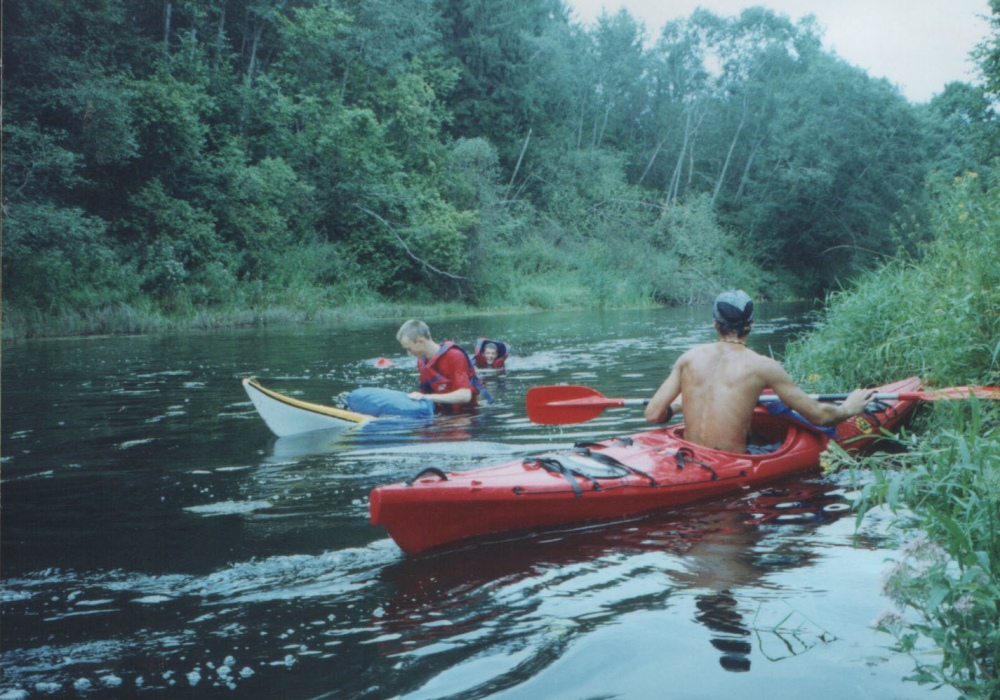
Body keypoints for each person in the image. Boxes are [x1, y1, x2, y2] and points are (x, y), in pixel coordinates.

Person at [644, 290, 876, 454]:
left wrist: (680, 404)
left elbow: (653, 414)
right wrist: (850, 407)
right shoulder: (763, 366)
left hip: (692, 454)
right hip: (730, 463)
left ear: (715, 324)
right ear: (751, 324)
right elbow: (820, 416)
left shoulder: (688, 358)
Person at [397, 319, 492, 410]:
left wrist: (426, 397)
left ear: (420, 341)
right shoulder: (421, 362)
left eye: (409, 349)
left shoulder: (455, 356)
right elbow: (426, 394)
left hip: (466, 415)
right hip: (443, 413)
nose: (409, 353)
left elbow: (465, 395)